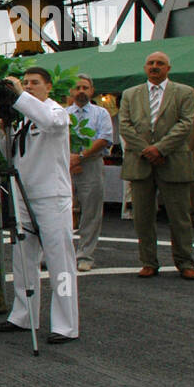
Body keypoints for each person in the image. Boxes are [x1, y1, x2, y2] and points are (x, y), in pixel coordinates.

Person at [0, 68, 79, 344]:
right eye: (26, 83)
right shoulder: (23, 120)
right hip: (23, 194)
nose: (29, 87)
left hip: (51, 197)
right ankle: (23, 314)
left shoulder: (56, 113)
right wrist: (4, 127)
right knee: (22, 259)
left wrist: (18, 94)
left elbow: (47, 121)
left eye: (34, 83)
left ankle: (66, 324)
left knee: (60, 262)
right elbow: (9, 151)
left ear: (48, 87)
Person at [117, 51, 194, 280]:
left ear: (168, 68)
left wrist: (160, 149)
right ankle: (148, 262)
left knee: (180, 217)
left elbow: (185, 124)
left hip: (173, 161)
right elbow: (125, 126)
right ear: (145, 68)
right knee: (142, 217)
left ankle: (185, 262)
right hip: (140, 162)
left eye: (160, 63)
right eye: (151, 63)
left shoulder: (184, 92)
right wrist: (147, 150)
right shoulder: (130, 94)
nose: (155, 66)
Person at [67, 74, 113, 271]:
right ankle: (61, 253)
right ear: (71, 91)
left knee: (91, 212)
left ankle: (85, 255)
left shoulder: (101, 113)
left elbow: (104, 138)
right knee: (62, 210)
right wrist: (70, 158)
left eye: (85, 87)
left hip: (91, 164)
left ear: (92, 90)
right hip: (66, 165)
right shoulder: (63, 113)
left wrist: (81, 157)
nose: (81, 91)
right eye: (77, 88)